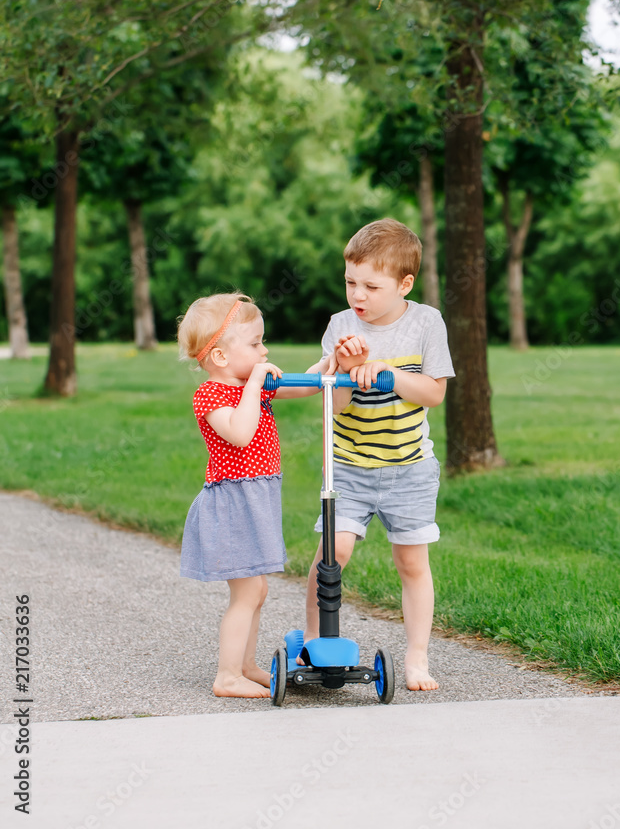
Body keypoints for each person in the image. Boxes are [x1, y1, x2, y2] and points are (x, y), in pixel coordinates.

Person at [301, 218, 455, 691]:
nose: (357, 295)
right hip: (349, 465)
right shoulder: (340, 326)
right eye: (350, 282)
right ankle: (313, 642)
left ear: (404, 284)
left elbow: (433, 393)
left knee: (412, 562)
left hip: (409, 468)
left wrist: (383, 370)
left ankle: (416, 658)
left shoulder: (426, 322)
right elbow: (335, 401)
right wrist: (345, 369)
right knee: (334, 551)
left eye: (371, 285)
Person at [178, 292, 329, 699]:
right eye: (255, 343)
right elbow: (241, 434)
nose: (265, 351)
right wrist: (259, 381)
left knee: (257, 590)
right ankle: (226, 676)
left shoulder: (249, 384)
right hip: (231, 506)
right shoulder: (211, 394)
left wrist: (328, 366)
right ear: (221, 358)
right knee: (246, 592)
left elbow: (303, 388)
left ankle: (245, 665)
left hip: (254, 501)